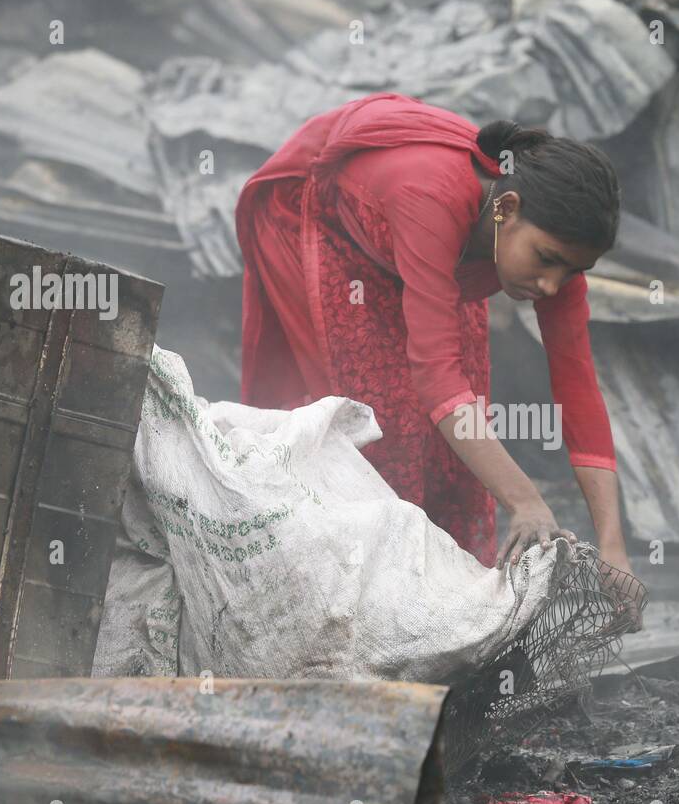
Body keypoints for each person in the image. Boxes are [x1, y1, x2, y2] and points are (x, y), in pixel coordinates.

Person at [236, 91, 633, 579]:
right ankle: (355, 588)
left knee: (459, 457)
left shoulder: (552, 256)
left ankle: (448, 596)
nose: (552, 286)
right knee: (382, 430)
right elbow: (437, 377)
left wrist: (614, 548)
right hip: (326, 222)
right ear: (505, 209)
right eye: (546, 259)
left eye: (573, 271)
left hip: (439, 250)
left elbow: (578, 390)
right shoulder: (430, 197)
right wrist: (526, 502)